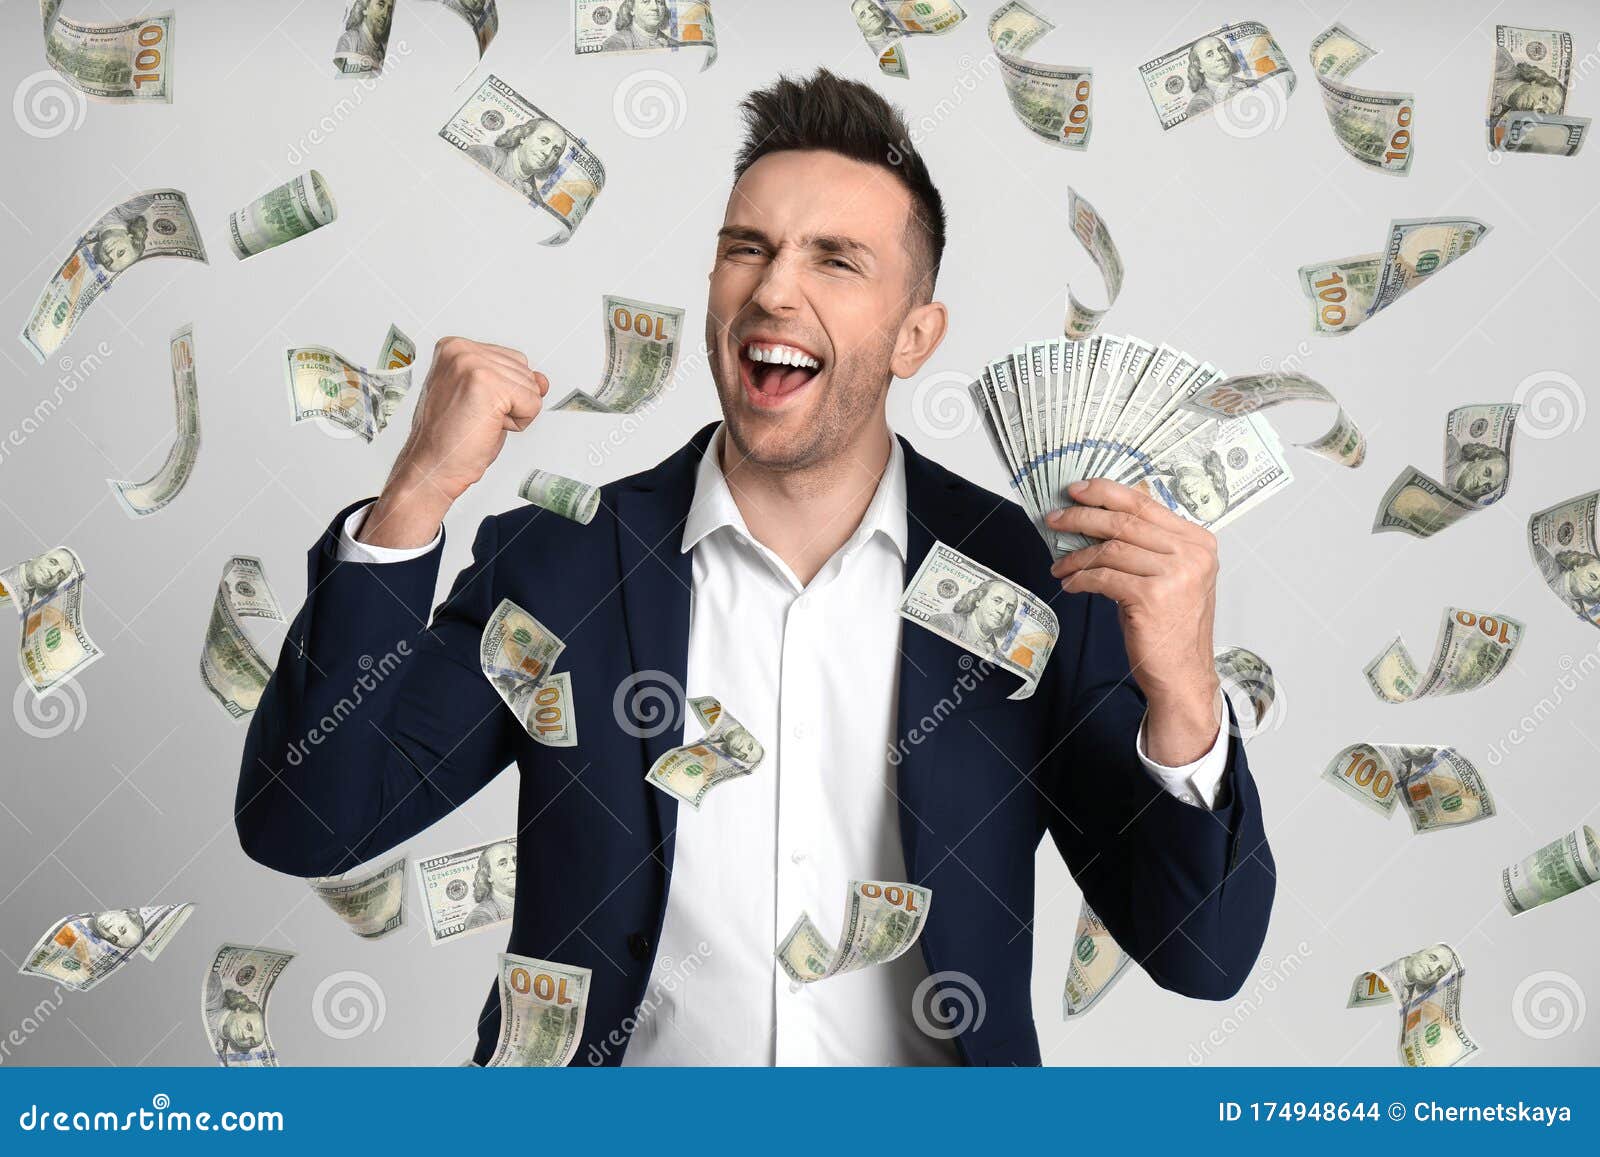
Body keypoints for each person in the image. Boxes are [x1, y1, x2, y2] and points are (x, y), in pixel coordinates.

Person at [236, 68, 1274, 1067]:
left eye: (835, 258)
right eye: (747, 248)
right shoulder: (563, 562)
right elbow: (307, 820)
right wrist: (414, 494)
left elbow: (1203, 952)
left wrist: (1183, 691)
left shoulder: (1037, 579)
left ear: (914, 335)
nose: (774, 288)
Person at [466, 118, 569, 201]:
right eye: (543, 141)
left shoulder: (536, 201)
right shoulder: (481, 155)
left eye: (555, 151)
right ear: (524, 137)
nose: (547, 153)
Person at [928, 579, 1020, 661]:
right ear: (979, 600)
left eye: (1009, 608)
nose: (1002, 610)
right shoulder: (944, 623)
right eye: (997, 600)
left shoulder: (999, 657)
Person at [1184, 35, 1255, 117]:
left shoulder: (1252, 84)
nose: (1220, 57)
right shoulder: (1198, 105)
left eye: (1222, 50)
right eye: (1209, 54)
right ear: (1199, 67)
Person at [464, 841, 517, 930]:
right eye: (502, 863)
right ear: (489, 875)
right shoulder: (480, 918)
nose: (514, 867)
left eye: (517, 860)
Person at [603, 0, 682, 52]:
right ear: (631, 9)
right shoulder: (615, 43)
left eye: (660, 2)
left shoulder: (674, 44)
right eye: (645, 1)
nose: (654, 7)